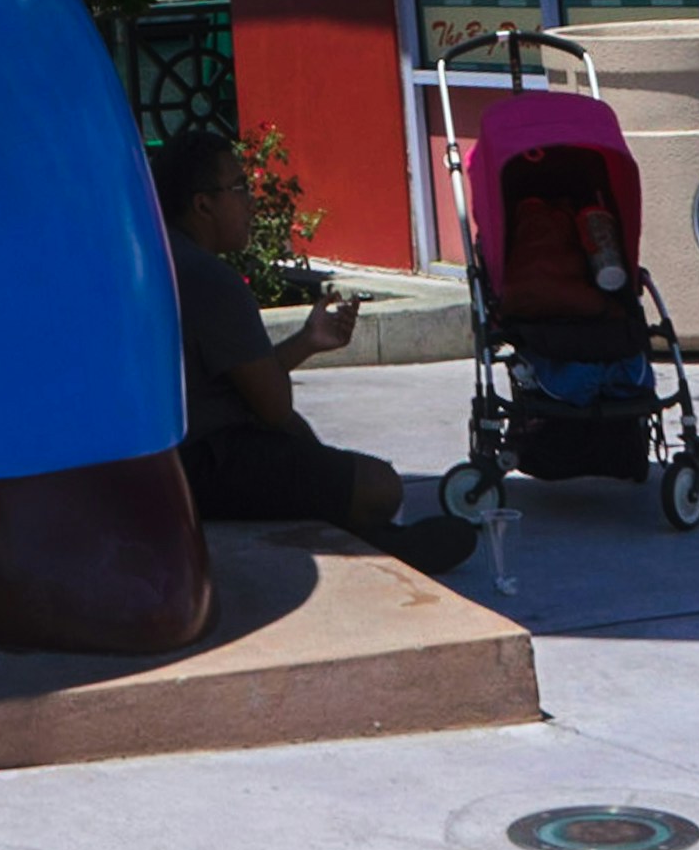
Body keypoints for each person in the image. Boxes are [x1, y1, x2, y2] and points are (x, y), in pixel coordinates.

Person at [154, 131, 475, 579]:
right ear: (203, 204)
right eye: (240, 189)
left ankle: (362, 528)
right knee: (381, 486)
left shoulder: (159, 258)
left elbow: (241, 378)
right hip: (203, 466)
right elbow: (272, 404)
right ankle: (373, 534)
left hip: (157, 461)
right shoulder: (210, 281)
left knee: (296, 435)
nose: (251, 203)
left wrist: (306, 341)